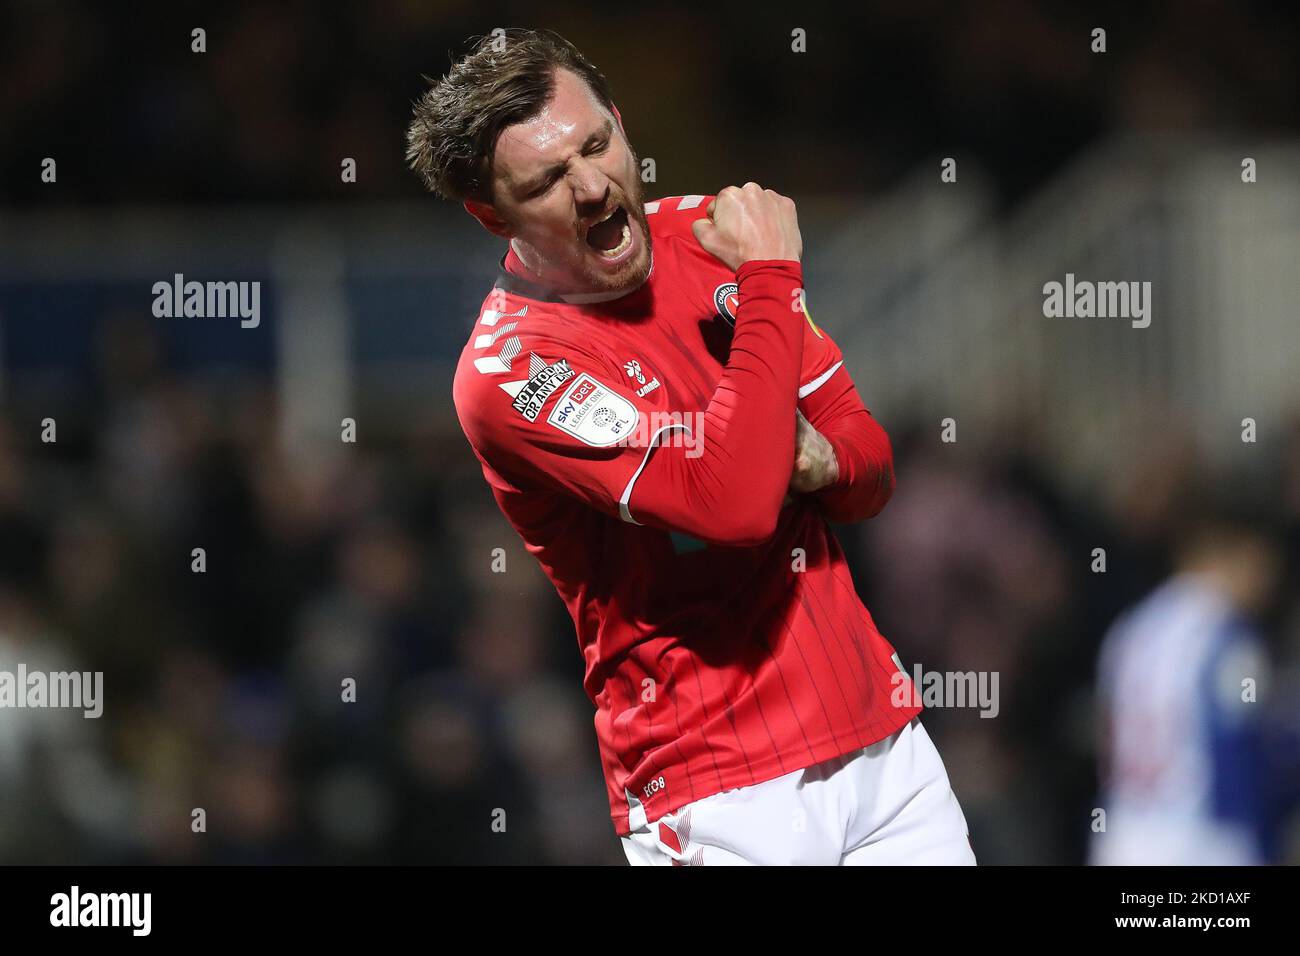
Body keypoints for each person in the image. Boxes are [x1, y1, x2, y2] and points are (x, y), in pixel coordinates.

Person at [408, 28, 973, 865]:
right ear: (493, 215)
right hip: (719, 786)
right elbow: (732, 505)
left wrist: (823, 461)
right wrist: (773, 281)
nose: (595, 187)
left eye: (599, 145)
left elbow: (869, 467)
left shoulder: (711, 244)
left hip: (882, 742)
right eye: (549, 181)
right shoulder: (514, 371)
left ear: (622, 123)